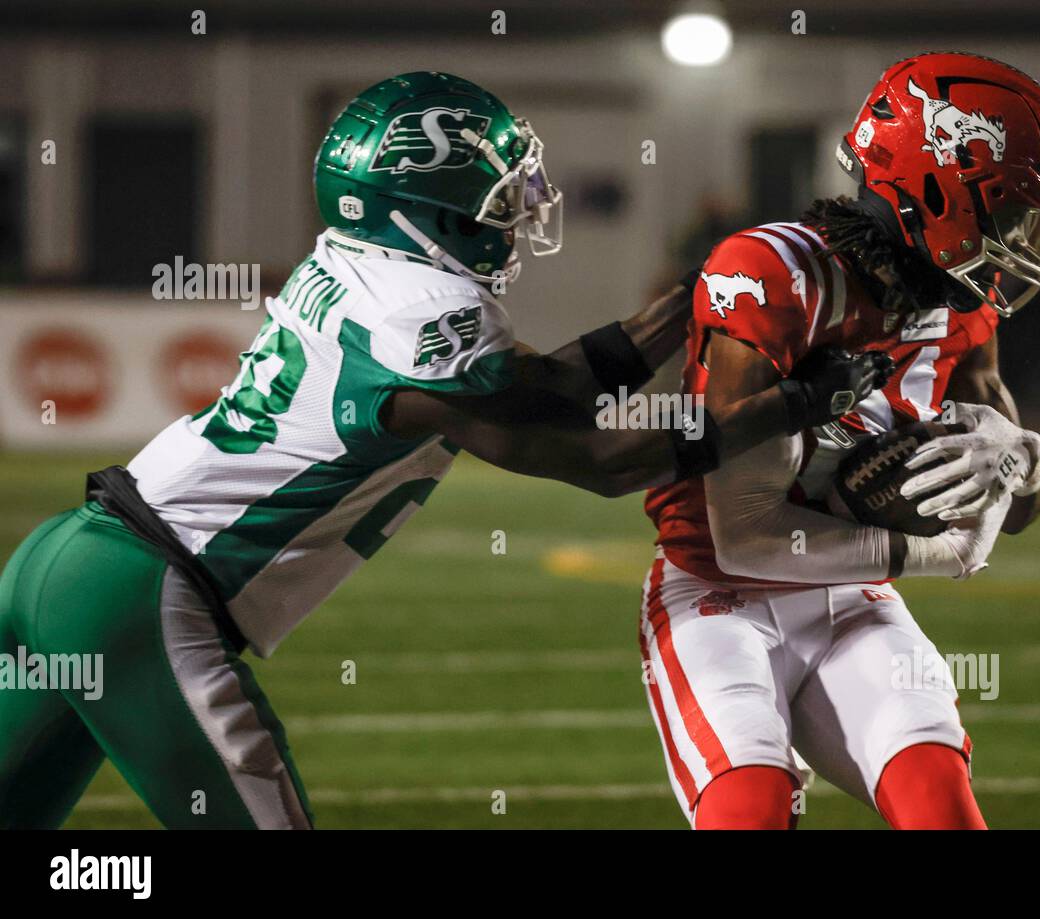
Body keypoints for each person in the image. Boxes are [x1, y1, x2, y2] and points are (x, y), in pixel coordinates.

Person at [0, 72, 881, 829]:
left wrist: (706, 291)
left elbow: (548, 386)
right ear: (424, 209)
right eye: (499, 199)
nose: (518, 215)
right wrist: (796, 403)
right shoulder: (419, 311)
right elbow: (601, 458)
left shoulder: (363, 264)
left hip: (68, 559)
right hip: (146, 592)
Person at [638, 52, 1040, 829]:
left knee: (942, 807)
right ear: (946, 188)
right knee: (752, 805)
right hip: (717, 595)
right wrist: (930, 553)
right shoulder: (773, 275)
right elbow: (743, 534)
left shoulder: (963, 307)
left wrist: (1021, 463)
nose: (1023, 238)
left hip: (851, 595)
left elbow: (1020, 508)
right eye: (1012, 210)